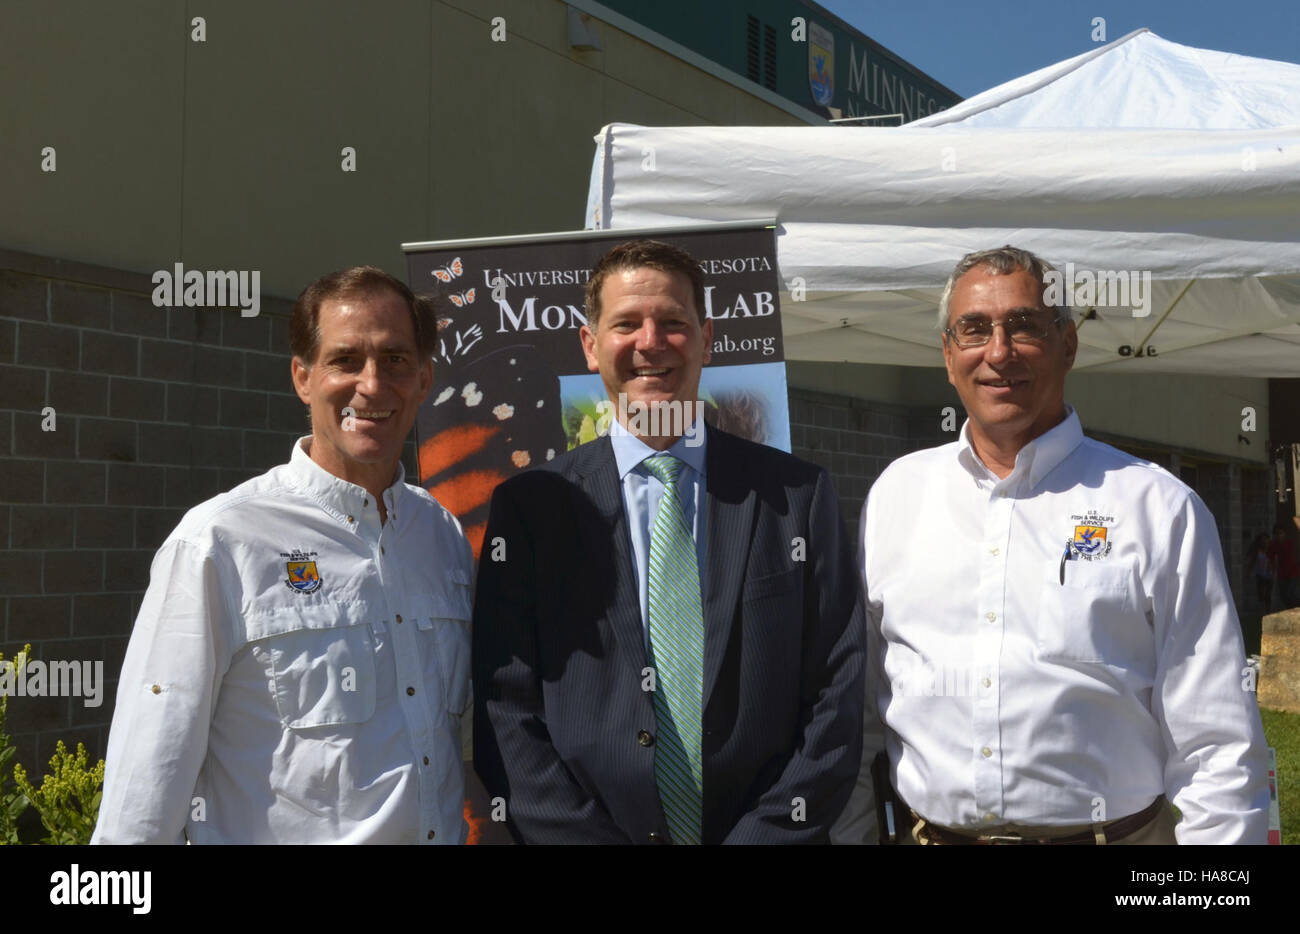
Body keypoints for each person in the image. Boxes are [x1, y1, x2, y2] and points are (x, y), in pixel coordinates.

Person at [841, 245, 1268, 845]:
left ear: (1068, 345)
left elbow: (1217, 742)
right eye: (974, 330)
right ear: (947, 354)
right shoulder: (896, 496)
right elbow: (857, 716)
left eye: (1024, 326)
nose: (998, 352)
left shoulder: (1156, 507)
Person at [472, 239, 864, 844]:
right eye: (626, 323)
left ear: (706, 339)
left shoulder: (797, 497)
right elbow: (506, 709)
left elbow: (836, 694)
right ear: (589, 344)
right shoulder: (530, 509)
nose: (650, 343)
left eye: (673, 323)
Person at [92, 266, 473, 844]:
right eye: (346, 360)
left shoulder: (439, 533)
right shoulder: (220, 541)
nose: (372, 385)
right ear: (303, 377)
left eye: (395, 359)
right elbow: (148, 777)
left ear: (424, 379)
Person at [1268, 521, 1300, 609]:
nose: (1279, 536)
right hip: (1282, 574)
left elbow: (1294, 555)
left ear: (1284, 534)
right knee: (1283, 595)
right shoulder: (1273, 545)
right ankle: (1291, 609)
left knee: (1291, 592)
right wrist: (1271, 567)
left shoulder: (1289, 543)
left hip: (1292, 572)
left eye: (1281, 533)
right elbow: (1270, 557)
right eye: (1277, 534)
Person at [1251, 533, 1274, 611]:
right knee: (1261, 593)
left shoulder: (1271, 550)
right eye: (1263, 540)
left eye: (1266, 540)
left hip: (1269, 575)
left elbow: (1275, 561)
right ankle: (1261, 610)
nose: (1265, 542)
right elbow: (1253, 561)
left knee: (1268, 594)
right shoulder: (1257, 550)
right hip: (1260, 575)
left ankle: (1267, 610)